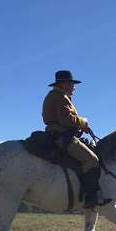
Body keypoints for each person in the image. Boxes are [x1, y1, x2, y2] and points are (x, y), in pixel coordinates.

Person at [42, 70, 108, 209]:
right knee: (92, 160)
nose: (74, 87)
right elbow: (65, 118)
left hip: (55, 133)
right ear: (64, 84)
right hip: (61, 137)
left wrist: (81, 127)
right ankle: (91, 197)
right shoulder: (59, 96)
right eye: (72, 83)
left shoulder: (55, 95)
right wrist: (83, 122)